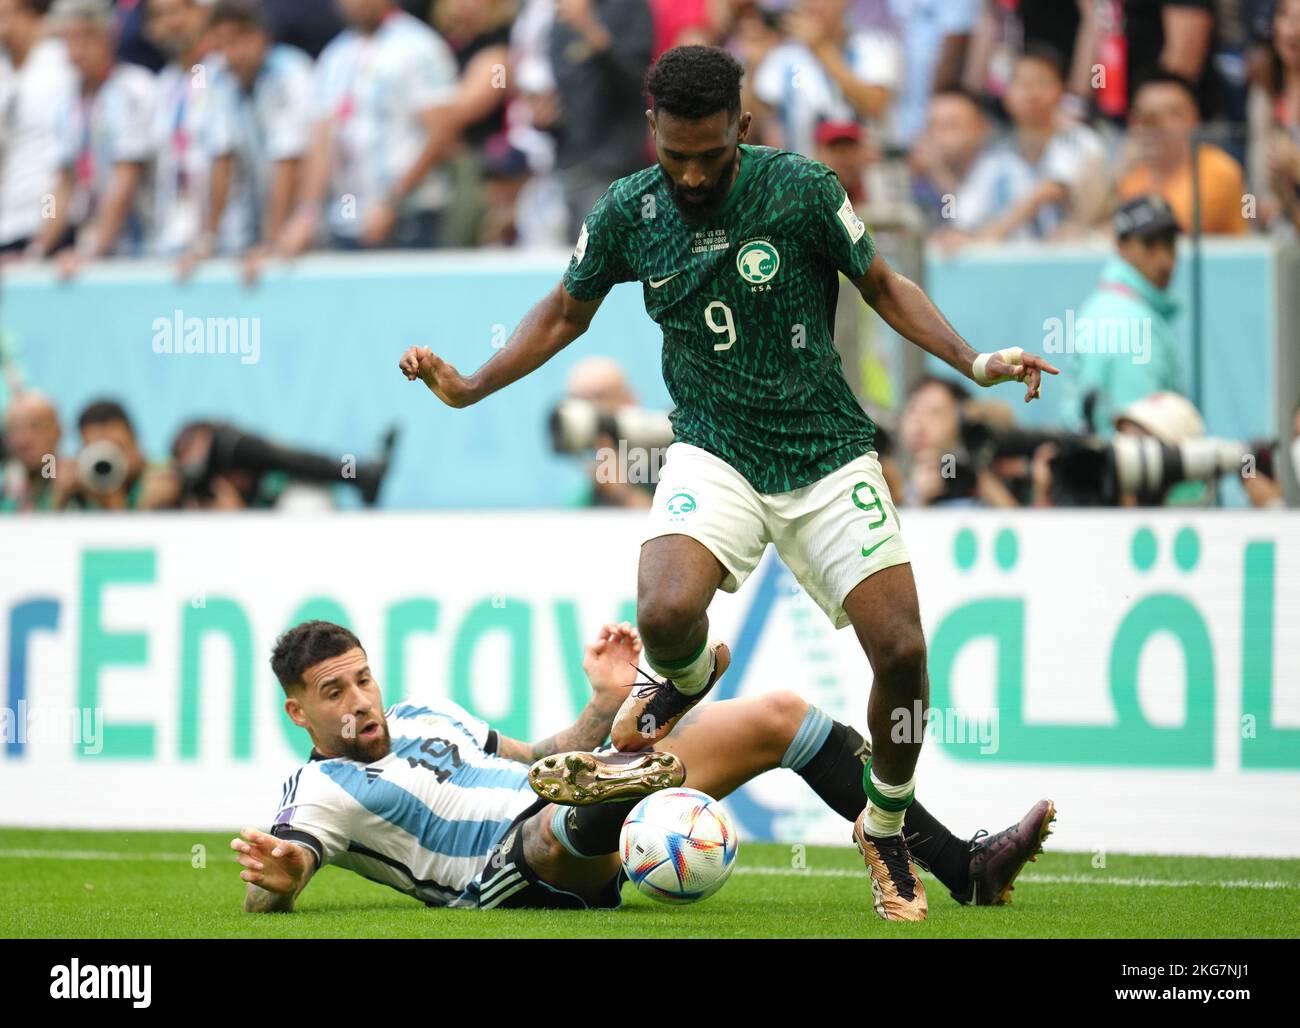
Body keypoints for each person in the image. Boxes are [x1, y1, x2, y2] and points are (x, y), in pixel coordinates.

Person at [397, 45, 1059, 921]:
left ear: (742, 129)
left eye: (711, 155)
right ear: (652, 132)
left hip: (825, 451)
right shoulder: (628, 212)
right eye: (676, 157)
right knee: (664, 611)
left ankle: (887, 827)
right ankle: (682, 672)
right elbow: (564, 310)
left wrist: (973, 360)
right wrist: (471, 383)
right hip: (715, 449)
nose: (694, 175)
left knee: (900, 652)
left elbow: (884, 285)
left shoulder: (802, 190)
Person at [233, 619, 1056, 912]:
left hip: (563, 797)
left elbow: (542, 759)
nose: (360, 701)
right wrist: (273, 883)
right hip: (505, 871)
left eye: (363, 678)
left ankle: (967, 868)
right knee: (559, 820)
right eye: (334, 692)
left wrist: (596, 705)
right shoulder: (318, 790)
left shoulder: (424, 713)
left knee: (783, 717)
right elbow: (290, 862)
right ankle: (638, 757)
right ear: (298, 713)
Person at [277, 0, 459, 254]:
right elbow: (322, 142)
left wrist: (392, 202)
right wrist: (307, 214)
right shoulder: (335, 54)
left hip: (410, 219)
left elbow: (442, 134)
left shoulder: (419, 46)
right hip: (347, 222)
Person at [29, 0, 155, 270]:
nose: (76, 52)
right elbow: (61, 186)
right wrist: (37, 249)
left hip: (138, 250)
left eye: (85, 38)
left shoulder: (132, 88)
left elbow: (126, 179)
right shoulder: (67, 103)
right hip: (91, 246)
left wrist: (92, 251)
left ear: (109, 36)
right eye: (68, 41)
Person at [204, 0, 314, 281]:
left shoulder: (292, 72)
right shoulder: (218, 77)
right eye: (223, 44)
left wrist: (272, 241)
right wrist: (207, 239)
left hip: (306, 224)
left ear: (261, 37)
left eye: (239, 40)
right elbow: (222, 163)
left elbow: (289, 165)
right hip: (257, 222)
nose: (232, 54)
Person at [1061, 194, 1187, 438]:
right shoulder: (1131, 321)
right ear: (1121, 246)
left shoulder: (1104, 306)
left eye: (1169, 244)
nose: (1164, 259)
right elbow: (1140, 440)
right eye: (1150, 244)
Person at [951, 46, 1107, 243]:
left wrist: (991, 234)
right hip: (1013, 266)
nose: (1032, 93)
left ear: (1061, 91)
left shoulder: (1082, 140)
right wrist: (959, 234)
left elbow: (1051, 190)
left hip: (1076, 256)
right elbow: (967, 212)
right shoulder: (995, 155)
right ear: (1006, 95)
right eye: (1022, 83)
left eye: (1041, 82)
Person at [750, 0, 901, 157]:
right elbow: (753, 120)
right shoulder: (784, 56)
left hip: (871, 177)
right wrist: (752, 66)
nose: (815, 4)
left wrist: (820, 48)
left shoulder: (876, 45)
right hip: (806, 176)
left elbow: (874, 105)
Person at [1116, 71, 1248, 235]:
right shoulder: (1131, 176)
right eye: (1145, 116)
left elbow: (1173, 230)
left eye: (1172, 113)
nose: (1155, 126)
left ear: (1195, 120)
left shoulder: (1219, 170)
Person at [0, 0, 76, 256]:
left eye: (9, 16)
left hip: (49, 218)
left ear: (34, 16)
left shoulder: (62, 64)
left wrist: (43, 240)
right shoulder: (3, 72)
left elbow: (68, 154)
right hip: (8, 221)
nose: (4, 29)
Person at [0, 391, 63, 512]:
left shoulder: (88, 485)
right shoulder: (4, 486)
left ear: (57, 431)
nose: (22, 440)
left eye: (35, 426)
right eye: (13, 430)